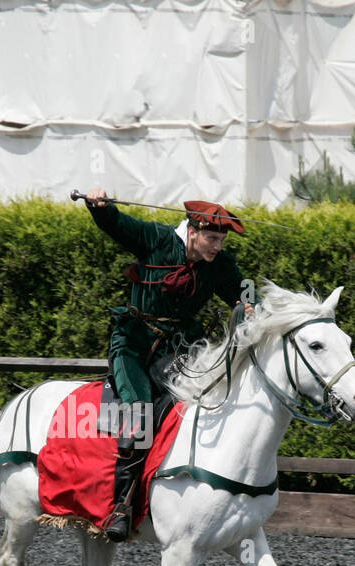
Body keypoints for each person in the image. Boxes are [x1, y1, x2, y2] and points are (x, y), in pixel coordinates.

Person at [83, 187, 255, 541]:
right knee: (141, 410)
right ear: (192, 231)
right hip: (134, 344)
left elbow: (244, 289)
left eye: (220, 240)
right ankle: (121, 506)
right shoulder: (157, 239)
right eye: (211, 238)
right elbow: (117, 224)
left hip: (182, 349)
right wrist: (100, 206)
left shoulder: (219, 264)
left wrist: (249, 304)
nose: (216, 246)